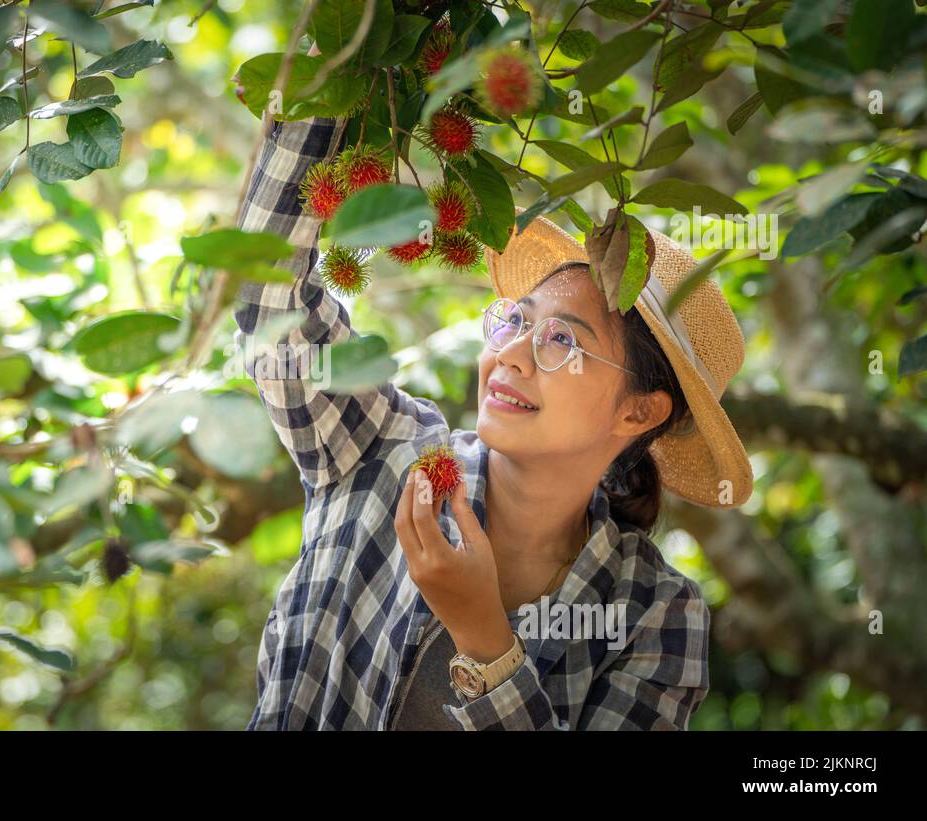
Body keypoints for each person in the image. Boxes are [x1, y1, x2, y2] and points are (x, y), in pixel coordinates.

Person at [232, 112, 752, 730]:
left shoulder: (658, 613)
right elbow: (269, 300)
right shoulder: (381, 449)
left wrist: (486, 640)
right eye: (515, 319)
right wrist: (339, 72)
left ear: (638, 410)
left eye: (562, 339)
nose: (508, 353)